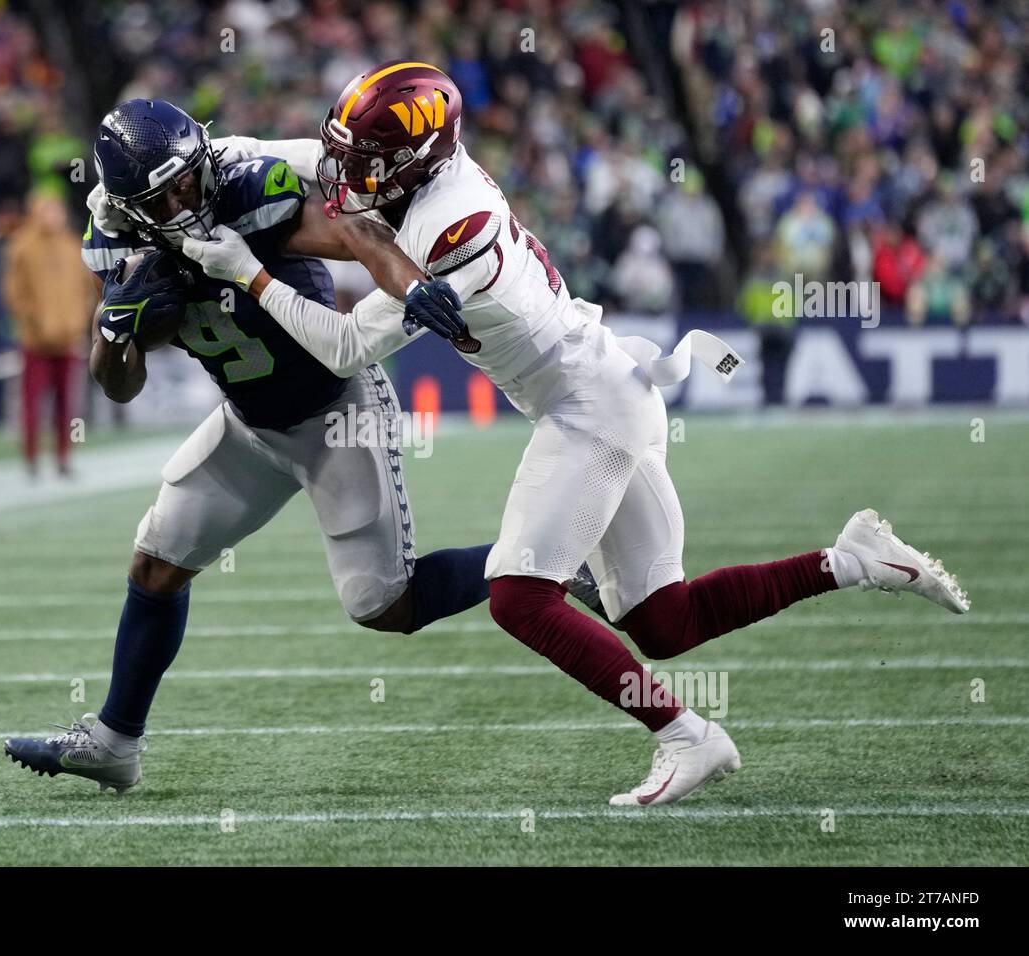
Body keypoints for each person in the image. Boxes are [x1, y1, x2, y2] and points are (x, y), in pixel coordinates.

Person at [180, 62, 971, 806]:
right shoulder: (426, 179)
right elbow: (323, 165)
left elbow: (347, 346)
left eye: (367, 161)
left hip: (589, 407)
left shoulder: (454, 235)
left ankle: (687, 736)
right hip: (605, 385)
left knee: (520, 598)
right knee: (666, 622)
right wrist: (215, 152)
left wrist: (248, 273)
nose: (346, 176)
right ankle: (852, 558)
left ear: (413, 161)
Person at [4, 99, 576, 792]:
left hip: (337, 411)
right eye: (167, 194)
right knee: (156, 563)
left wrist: (412, 285)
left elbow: (360, 237)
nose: (188, 196)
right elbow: (120, 384)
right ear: (131, 205)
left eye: (190, 177)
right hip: (249, 421)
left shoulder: (249, 192)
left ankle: (550, 560)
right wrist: (116, 330)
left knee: (383, 606)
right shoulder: (116, 242)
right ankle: (114, 741)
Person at [1, 191, 99, 477]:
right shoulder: (20, 247)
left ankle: (63, 457)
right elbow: (14, 293)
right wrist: (33, 323)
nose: (52, 216)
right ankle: (31, 459)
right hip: (36, 340)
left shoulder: (72, 246)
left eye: (55, 210)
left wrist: (79, 322)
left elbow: (86, 290)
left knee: (67, 404)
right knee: (32, 402)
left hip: (68, 339)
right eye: (45, 210)